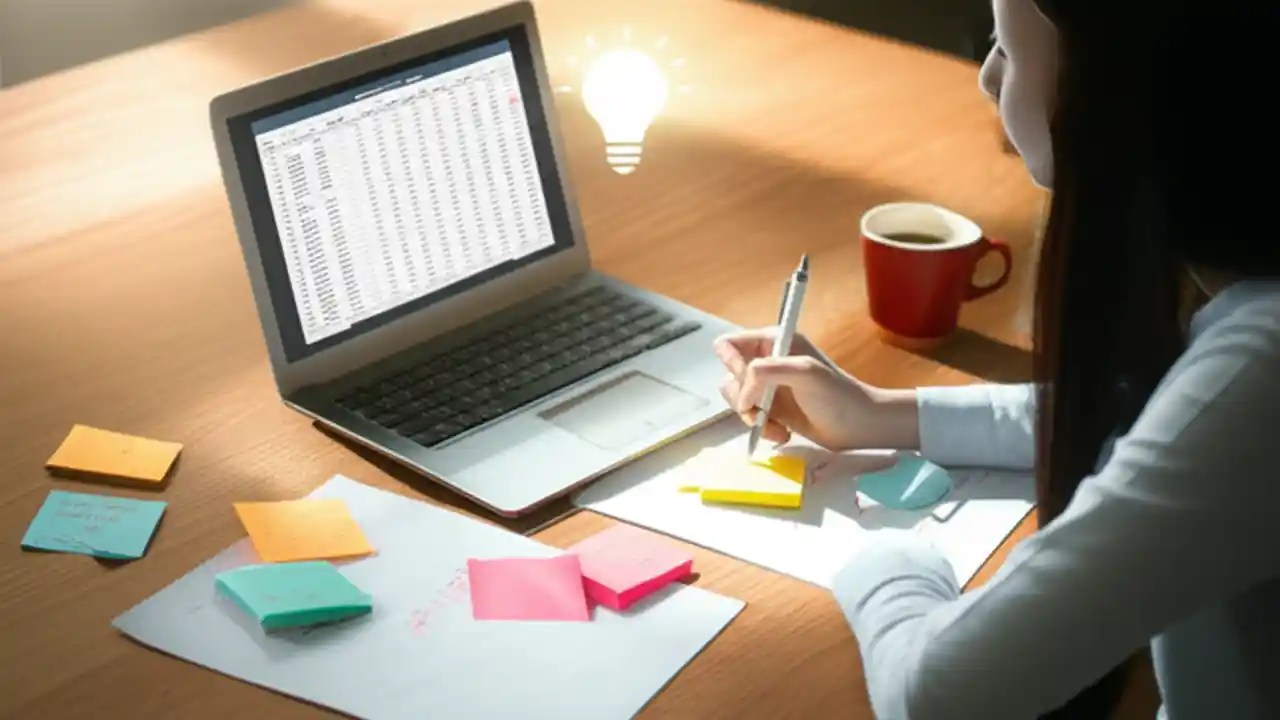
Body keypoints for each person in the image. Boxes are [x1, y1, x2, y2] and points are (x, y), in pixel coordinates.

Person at [714, 1, 1279, 718]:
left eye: (1006, 48)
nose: (985, 78)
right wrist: (881, 415)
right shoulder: (1239, 313)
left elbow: (939, 697)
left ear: (1114, 85)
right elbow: (1157, 415)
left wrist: (891, 564)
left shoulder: (1261, 374)